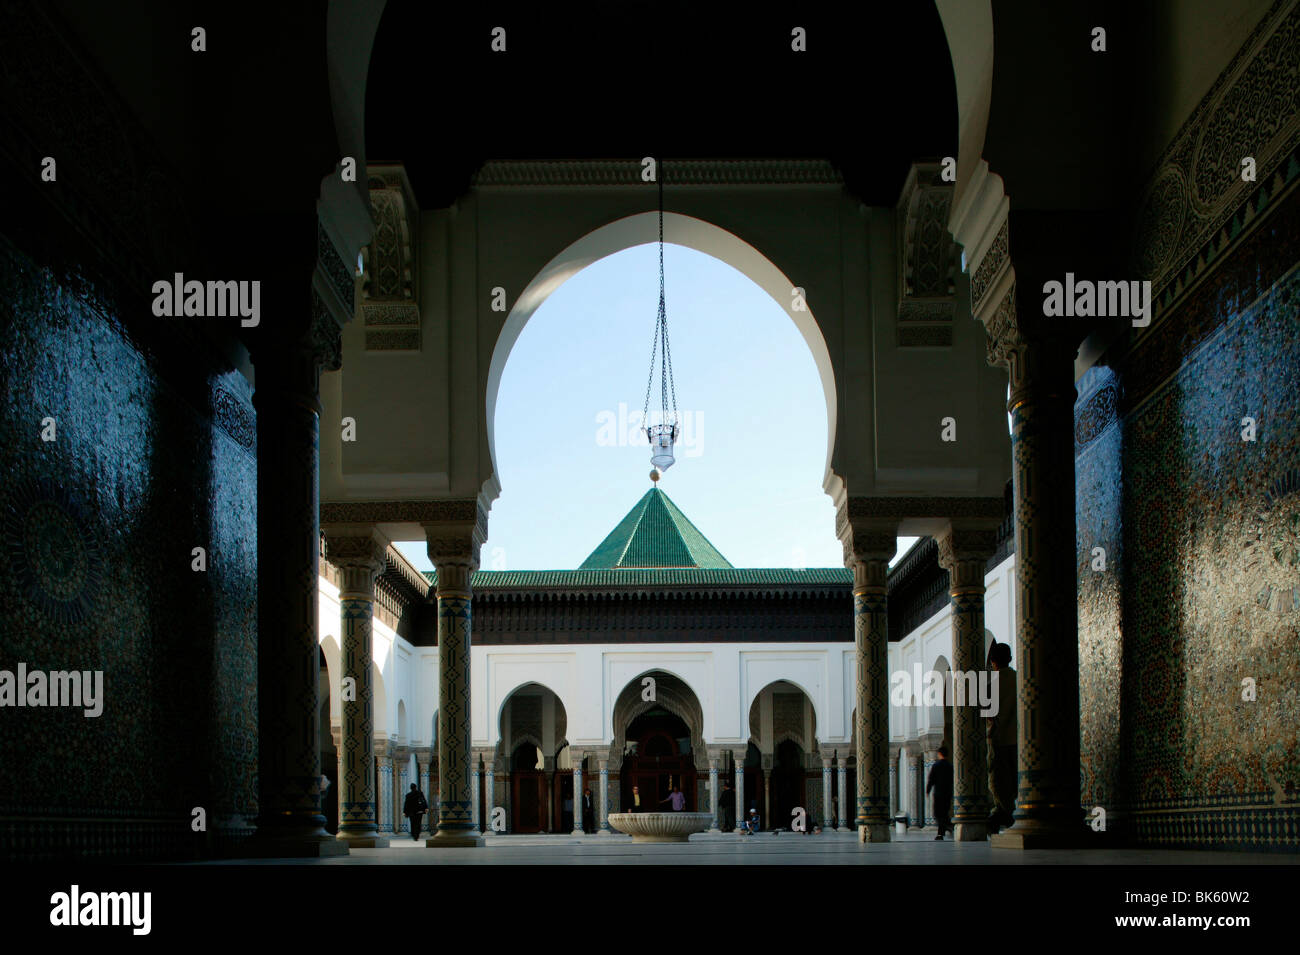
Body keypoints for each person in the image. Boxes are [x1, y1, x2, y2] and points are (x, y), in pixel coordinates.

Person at [986, 641, 1018, 833]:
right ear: (1010, 659)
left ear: (993, 662)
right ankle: (1003, 812)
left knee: (997, 781)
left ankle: (1005, 813)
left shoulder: (991, 686)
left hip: (998, 740)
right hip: (1020, 742)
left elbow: (987, 715)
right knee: (1015, 780)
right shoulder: (1020, 680)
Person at [927, 744, 954, 840]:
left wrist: (928, 790)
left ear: (939, 754)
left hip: (939, 793)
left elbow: (931, 779)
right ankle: (943, 830)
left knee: (938, 813)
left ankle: (945, 828)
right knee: (944, 812)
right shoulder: (950, 766)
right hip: (947, 793)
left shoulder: (936, 765)